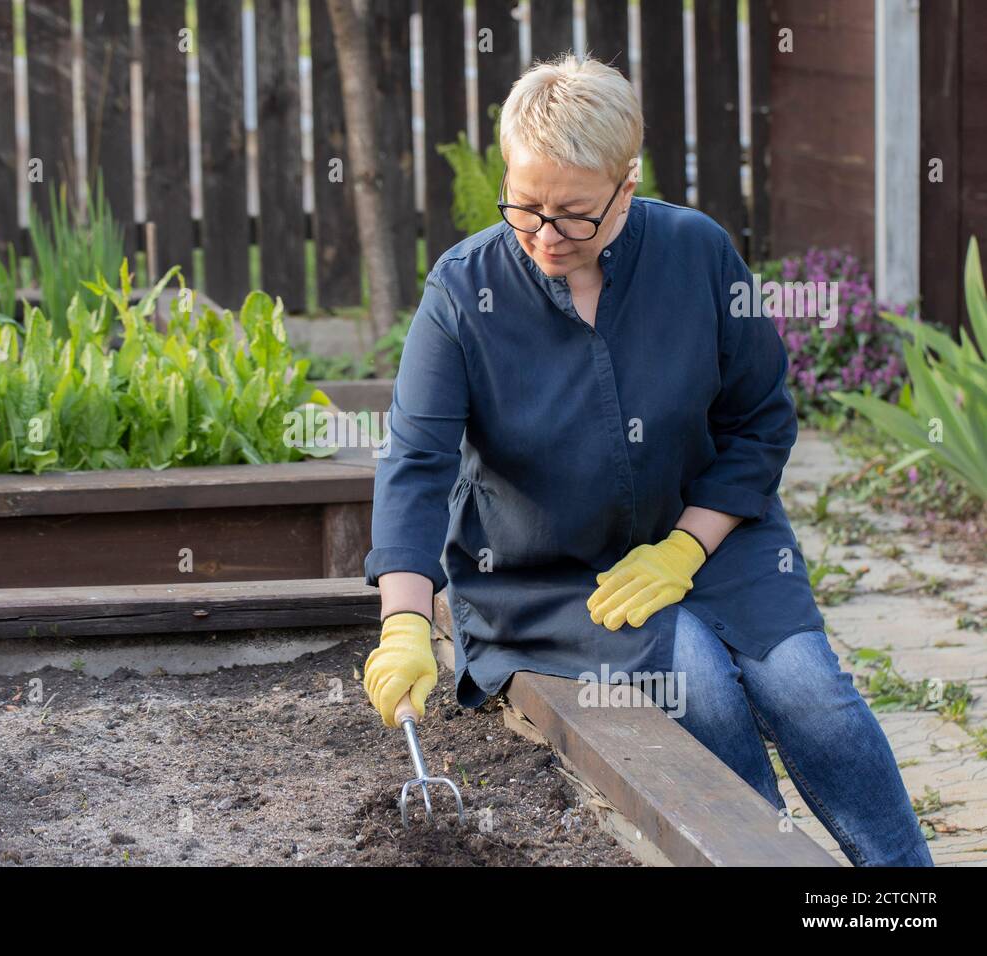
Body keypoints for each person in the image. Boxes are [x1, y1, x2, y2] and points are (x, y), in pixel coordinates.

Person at [360, 53, 933, 867]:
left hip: (713, 537)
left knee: (812, 690)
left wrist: (687, 547)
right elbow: (415, 461)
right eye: (525, 208)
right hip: (550, 573)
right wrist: (407, 621)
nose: (547, 237)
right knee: (695, 676)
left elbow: (761, 421)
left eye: (574, 214)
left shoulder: (696, 255)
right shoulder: (463, 293)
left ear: (626, 186)